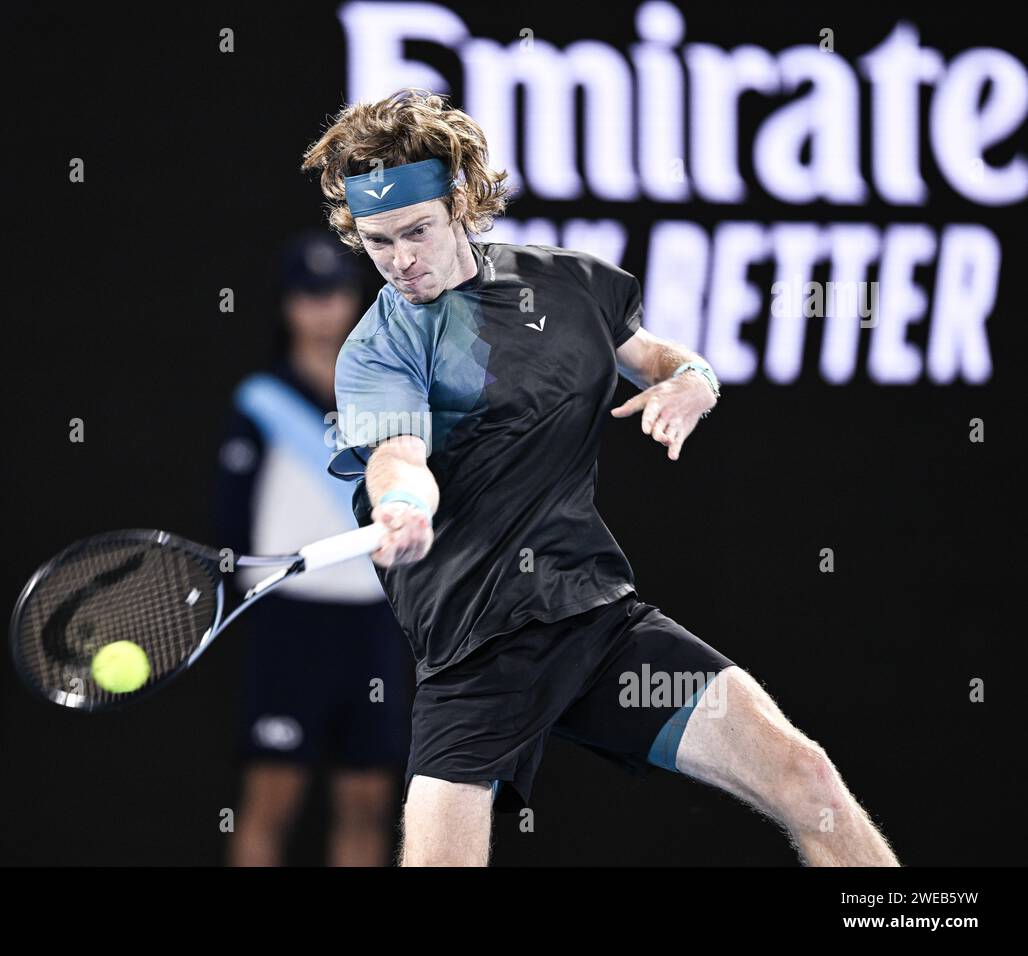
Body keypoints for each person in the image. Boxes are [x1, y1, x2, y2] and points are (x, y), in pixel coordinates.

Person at [300, 88, 899, 867]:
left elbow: (661, 358)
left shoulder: (572, 286)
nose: (401, 260)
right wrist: (405, 504)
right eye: (378, 243)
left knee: (809, 781)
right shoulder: (379, 347)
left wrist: (697, 382)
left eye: (415, 231)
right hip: (477, 656)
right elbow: (396, 456)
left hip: (596, 626)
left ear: (459, 202)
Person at [215, 231, 411, 866]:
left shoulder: (393, 399)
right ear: (286, 306)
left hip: (375, 624)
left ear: (354, 301)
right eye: (308, 296)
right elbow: (232, 523)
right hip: (290, 622)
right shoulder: (259, 402)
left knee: (368, 802)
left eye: (335, 294)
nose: (323, 311)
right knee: (272, 798)